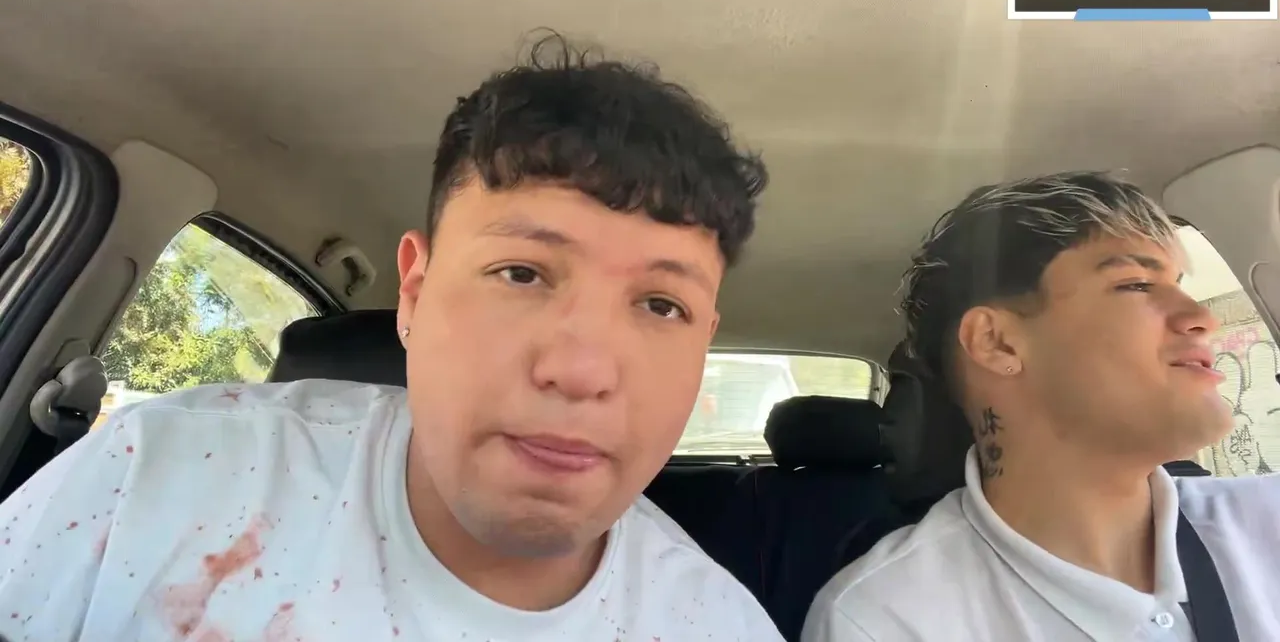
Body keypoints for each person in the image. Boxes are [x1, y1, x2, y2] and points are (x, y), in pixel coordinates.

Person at [0, 36, 784, 642]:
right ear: (414, 292)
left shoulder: (719, 626)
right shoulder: (154, 479)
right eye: (520, 273)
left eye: (661, 306)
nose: (581, 370)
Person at [803, 171, 1280, 642]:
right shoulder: (885, 618)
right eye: (1136, 284)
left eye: (1178, 283)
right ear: (998, 343)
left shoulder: (1268, 521)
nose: (1203, 318)